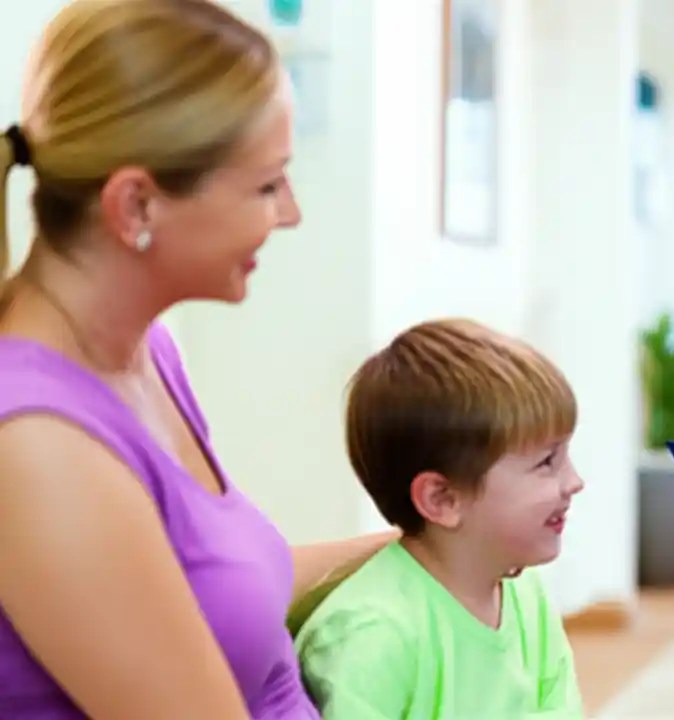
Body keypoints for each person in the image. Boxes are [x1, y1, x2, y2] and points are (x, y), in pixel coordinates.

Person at [0, 1, 398, 718]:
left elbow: (219, 598)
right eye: (267, 184)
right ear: (137, 207)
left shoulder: (148, 353)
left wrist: (426, 546)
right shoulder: (35, 445)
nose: (291, 213)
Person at [294, 318, 586, 719]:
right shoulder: (371, 634)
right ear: (443, 499)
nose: (575, 482)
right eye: (546, 462)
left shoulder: (525, 594)